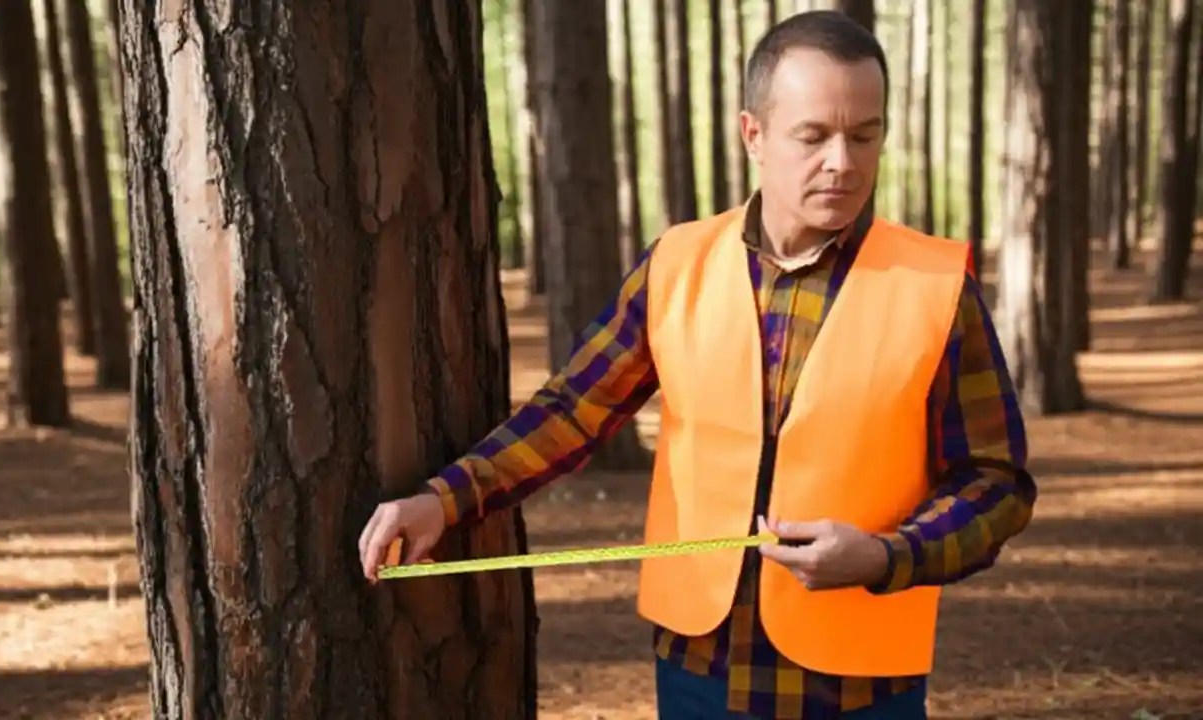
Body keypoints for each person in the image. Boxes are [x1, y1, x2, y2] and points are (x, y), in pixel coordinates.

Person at [359, 10, 1035, 720]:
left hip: (861, 686)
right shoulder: (677, 265)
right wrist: (445, 498)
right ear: (754, 135)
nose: (843, 161)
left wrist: (887, 556)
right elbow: (573, 411)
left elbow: (996, 485)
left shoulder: (937, 289)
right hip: (700, 671)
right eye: (814, 136)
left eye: (864, 135)